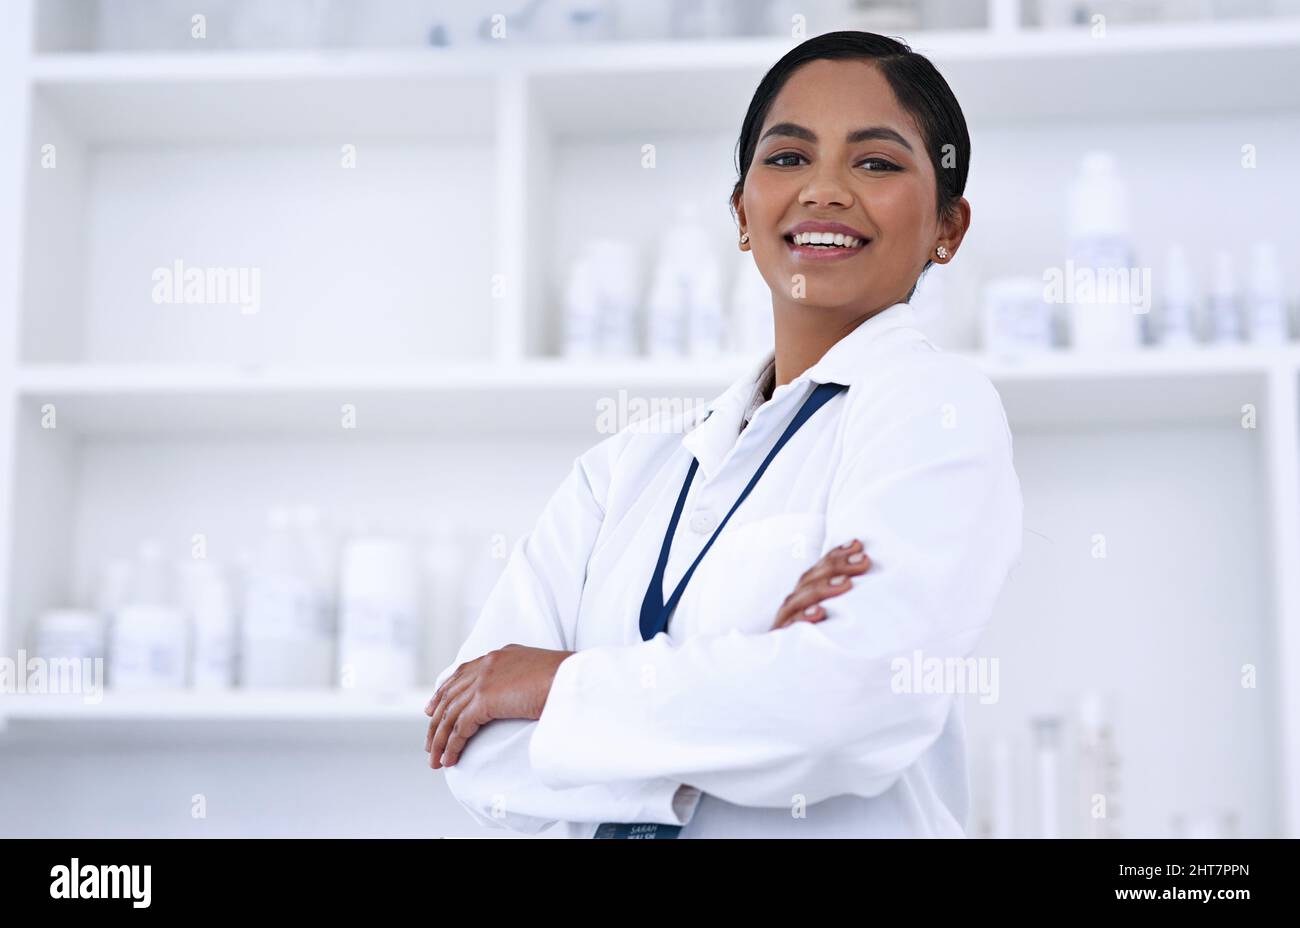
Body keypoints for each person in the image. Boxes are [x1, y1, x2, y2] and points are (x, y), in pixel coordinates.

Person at [424, 31, 1023, 838]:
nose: (825, 190)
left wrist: (555, 686)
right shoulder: (621, 473)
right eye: (787, 158)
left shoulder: (933, 407)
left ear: (948, 228)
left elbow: (850, 706)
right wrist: (751, 672)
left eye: (876, 163)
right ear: (742, 213)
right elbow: (474, 752)